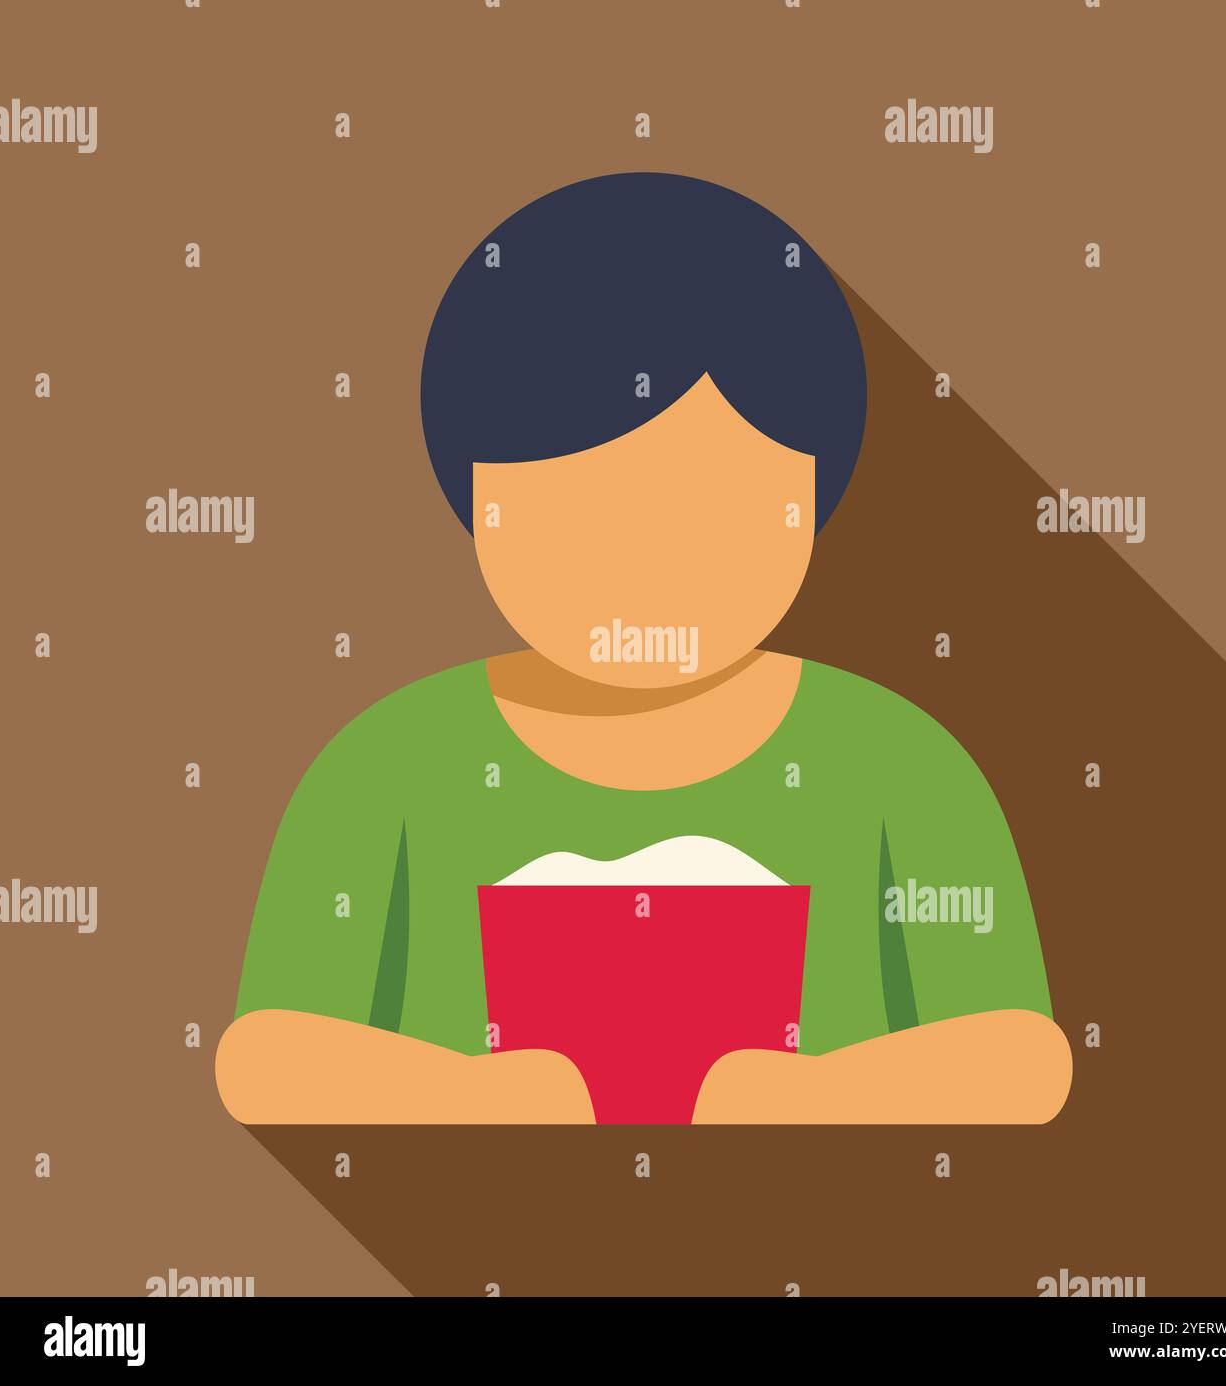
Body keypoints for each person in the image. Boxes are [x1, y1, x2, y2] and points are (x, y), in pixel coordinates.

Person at [215, 172, 1071, 1125]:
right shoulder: (385, 768)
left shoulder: (900, 766)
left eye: (709, 513)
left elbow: (1022, 1061)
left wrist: (819, 1097)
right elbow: (264, 1059)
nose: (644, 569)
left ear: (812, 508)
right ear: (476, 510)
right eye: (576, 516)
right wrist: (466, 1097)